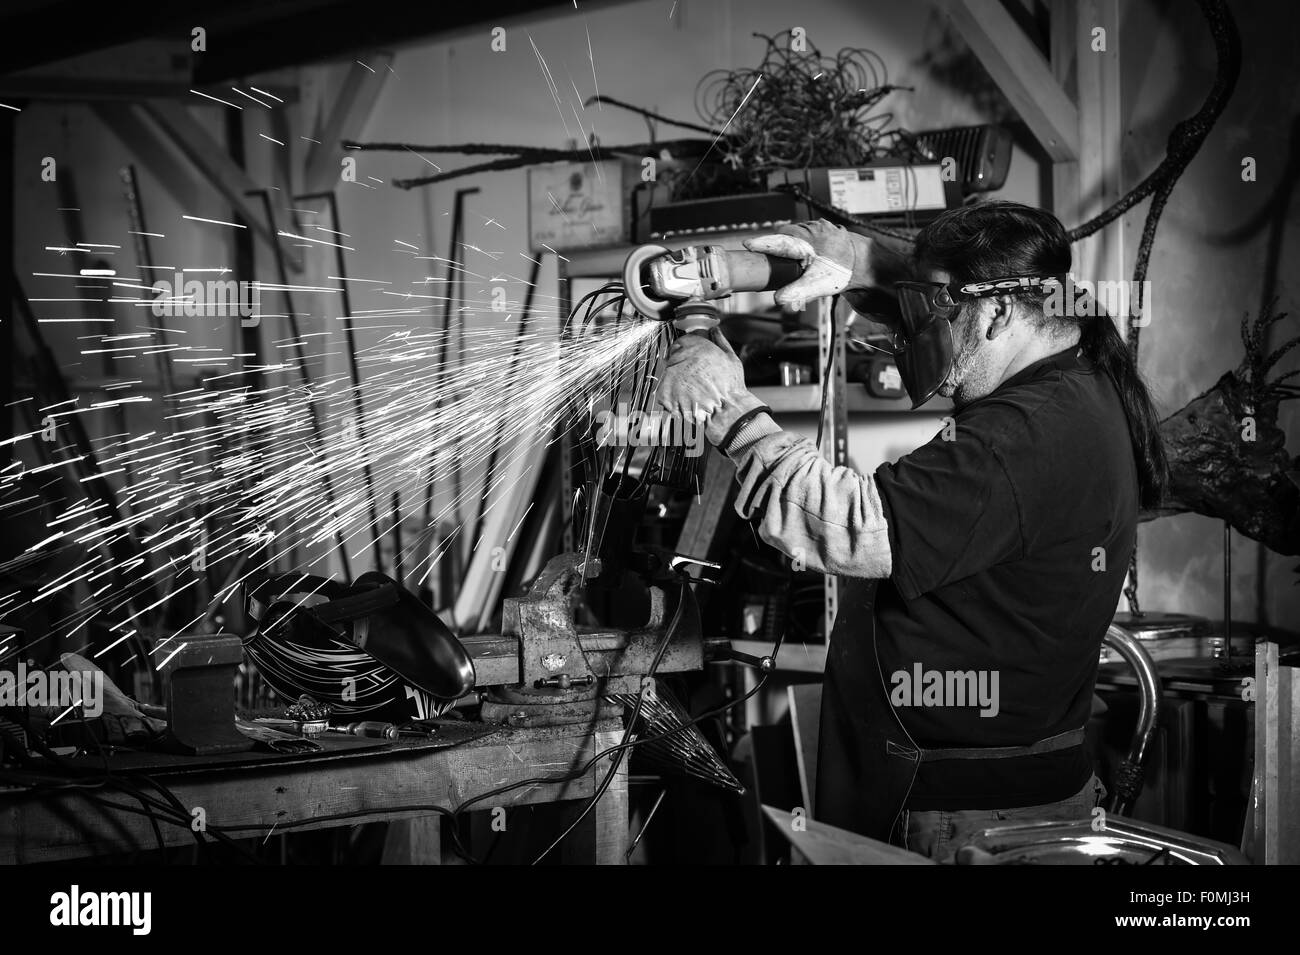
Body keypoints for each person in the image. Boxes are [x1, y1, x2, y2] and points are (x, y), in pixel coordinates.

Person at [655, 201, 1168, 862]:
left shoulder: (1026, 435)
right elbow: (955, 292)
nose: (909, 338)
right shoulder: (1076, 365)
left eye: (933, 317)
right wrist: (858, 257)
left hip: (970, 815)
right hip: (977, 794)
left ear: (1000, 313)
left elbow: (851, 528)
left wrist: (727, 408)